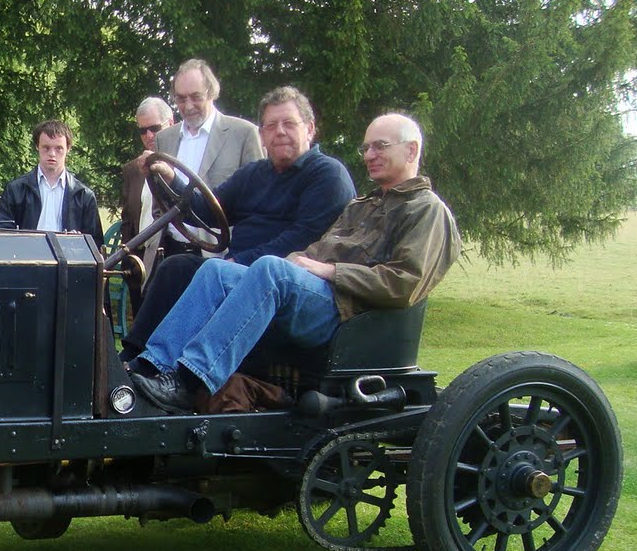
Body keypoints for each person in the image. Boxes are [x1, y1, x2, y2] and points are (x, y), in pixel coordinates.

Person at [130, 112, 461, 413]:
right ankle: (152, 366)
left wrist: (329, 271)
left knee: (270, 270)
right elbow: (316, 250)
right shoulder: (364, 205)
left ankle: (192, 381)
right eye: (367, 148)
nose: (370, 155)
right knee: (217, 270)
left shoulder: (426, 210)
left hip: (347, 311)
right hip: (317, 294)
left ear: (411, 150)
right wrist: (295, 263)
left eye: (380, 147)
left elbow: (403, 283)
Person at [120, 86, 355, 361]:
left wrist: (239, 261)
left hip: (289, 283)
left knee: (216, 272)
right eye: (271, 126)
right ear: (263, 135)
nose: (279, 132)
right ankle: (132, 357)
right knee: (177, 267)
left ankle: (161, 365)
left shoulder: (327, 175)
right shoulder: (255, 174)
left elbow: (302, 239)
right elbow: (206, 210)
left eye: (289, 124)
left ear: (310, 129)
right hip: (242, 272)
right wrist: (171, 177)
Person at [0, 119, 105, 251]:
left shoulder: (84, 196)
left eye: (59, 148)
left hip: (68, 266)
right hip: (25, 263)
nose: (52, 154)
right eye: (46, 148)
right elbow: (0, 235)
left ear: (68, 149)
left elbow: (95, 246)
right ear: (37, 147)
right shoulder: (15, 190)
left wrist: (78, 245)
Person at [155, 58, 263, 187]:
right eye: (181, 99)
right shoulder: (163, 139)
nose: (189, 106)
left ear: (211, 93)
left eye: (196, 97)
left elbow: (258, 193)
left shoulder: (244, 134)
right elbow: (158, 199)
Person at [118, 96, 177, 309]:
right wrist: (127, 256)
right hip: (139, 257)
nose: (149, 135)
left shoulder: (181, 165)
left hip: (168, 256)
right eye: (143, 130)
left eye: (154, 128)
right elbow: (128, 218)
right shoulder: (133, 169)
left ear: (171, 124)